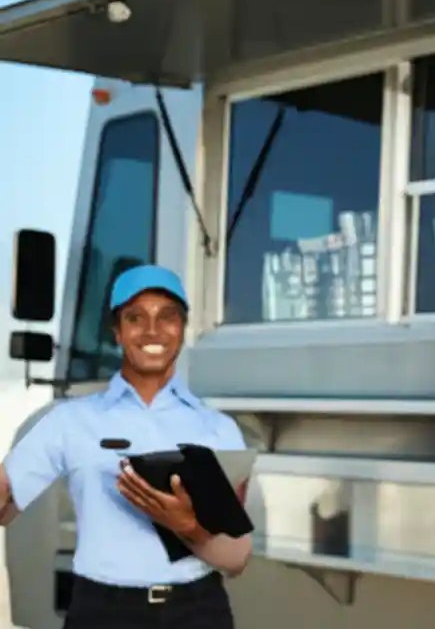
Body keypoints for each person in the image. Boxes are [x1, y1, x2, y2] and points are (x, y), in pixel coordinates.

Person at [0, 264, 251, 628]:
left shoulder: (219, 430)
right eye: (135, 318)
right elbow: (5, 499)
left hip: (197, 610)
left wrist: (187, 527)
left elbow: (236, 559)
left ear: (182, 329)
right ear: (117, 332)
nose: (152, 330)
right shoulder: (68, 421)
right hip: (102, 611)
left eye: (167, 317)